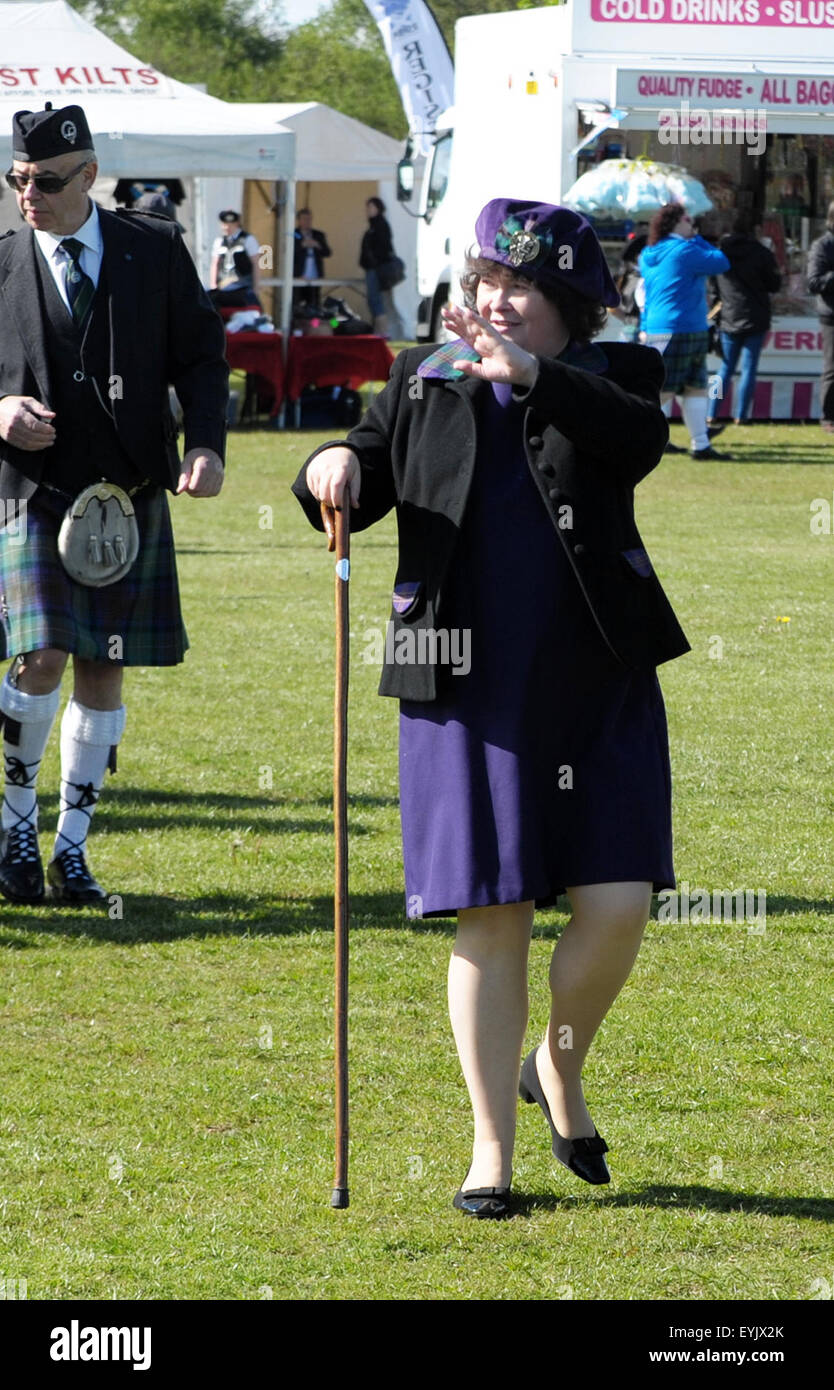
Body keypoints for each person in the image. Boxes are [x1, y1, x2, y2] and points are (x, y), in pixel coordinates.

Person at [293, 199, 690, 1217]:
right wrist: (325, 466)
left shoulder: (618, 378)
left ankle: (557, 1062)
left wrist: (534, 382)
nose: (494, 301)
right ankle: (490, 1148)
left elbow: (639, 440)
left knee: (619, 902)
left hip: (596, 675)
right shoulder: (421, 376)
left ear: (567, 304)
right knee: (492, 907)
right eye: (482, 282)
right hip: (457, 677)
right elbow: (366, 465)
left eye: (519, 287)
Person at [0, 102, 227, 905]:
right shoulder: (1, 260)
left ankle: (73, 850)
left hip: (127, 496)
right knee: (41, 658)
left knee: (105, 666)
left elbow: (203, 357)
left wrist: (204, 443)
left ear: (89, 175)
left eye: (48, 180)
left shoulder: (152, 249)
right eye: (19, 178)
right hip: (33, 492)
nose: (30, 194)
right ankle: (17, 826)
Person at [639, 203, 729, 459]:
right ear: (676, 223)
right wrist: (698, 237)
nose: (692, 224)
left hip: (659, 328)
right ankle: (695, 444)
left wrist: (645, 327)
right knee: (680, 389)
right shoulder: (686, 249)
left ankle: (696, 445)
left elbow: (645, 294)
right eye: (688, 220)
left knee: (685, 387)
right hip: (686, 328)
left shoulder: (648, 252)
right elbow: (721, 262)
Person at [706, 213, 781, 433]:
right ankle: (742, 415)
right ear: (754, 230)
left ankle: (712, 411)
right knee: (749, 368)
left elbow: (712, 287)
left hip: (728, 316)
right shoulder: (762, 253)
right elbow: (774, 284)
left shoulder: (721, 253)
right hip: (756, 315)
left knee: (724, 369)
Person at [359, 196, 405, 341]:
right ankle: (380, 331)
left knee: (377, 301)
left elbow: (382, 248)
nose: (369, 211)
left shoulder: (381, 225)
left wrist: (374, 262)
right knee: (375, 301)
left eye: (372, 208)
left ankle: (383, 332)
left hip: (377, 270)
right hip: (373, 269)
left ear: (378, 209)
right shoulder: (373, 226)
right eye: (368, 208)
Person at [806, 201, 834, 436]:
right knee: (832, 368)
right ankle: (829, 416)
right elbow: (814, 282)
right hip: (831, 315)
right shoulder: (822, 245)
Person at [209, 209, 261, 309]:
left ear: (237, 224)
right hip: (223, 286)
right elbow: (215, 263)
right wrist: (213, 285)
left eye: (230, 224)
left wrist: (256, 287)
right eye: (224, 224)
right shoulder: (219, 241)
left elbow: (256, 264)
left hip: (243, 285)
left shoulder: (248, 239)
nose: (227, 227)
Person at [292, 208, 331, 313]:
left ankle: (314, 325)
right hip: (298, 276)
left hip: (315, 275)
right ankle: (296, 327)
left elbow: (327, 252)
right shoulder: (294, 234)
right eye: (304, 219)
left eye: (309, 219)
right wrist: (302, 245)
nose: (307, 222)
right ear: (299, 220)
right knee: (297, 305)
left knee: (314, 304)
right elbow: (288, 252)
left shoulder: (318, 235)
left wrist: (317, 245)